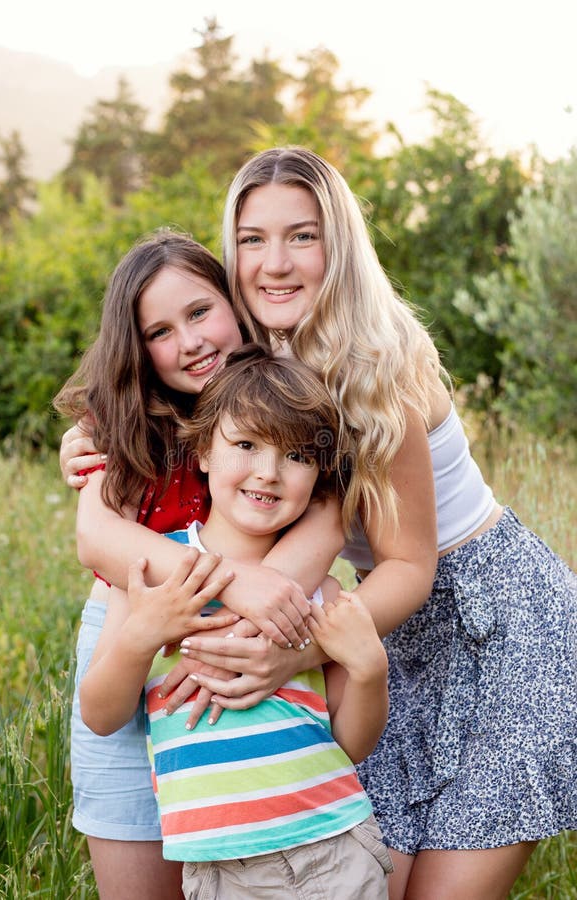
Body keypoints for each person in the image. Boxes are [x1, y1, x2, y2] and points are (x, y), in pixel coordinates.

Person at [61, 147, 577, 900]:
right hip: (380, 632)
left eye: (303, 236)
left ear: (339, 245)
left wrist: (294, 653)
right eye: (252, 239)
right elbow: (107, 521)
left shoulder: (380, 363)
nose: (276, 262)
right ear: (229, 253)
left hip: (494, 619)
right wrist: (90, 439)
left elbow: (409, 563)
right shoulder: (248, 363)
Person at [54, 230, 344, 900]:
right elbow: (95, 540)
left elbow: (328, 516)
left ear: (234, 303)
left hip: (255, 644)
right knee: (133, 846)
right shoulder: (120, 424)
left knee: (252, 858)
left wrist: (239, 638)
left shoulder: (286, 397)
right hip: (127, 641)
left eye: (199, 311)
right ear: (137, 348)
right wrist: (232, 580)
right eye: (159, 330)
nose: (189, 342)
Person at [78, 344, 393, 899]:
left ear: (319, 471)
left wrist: (370, 671)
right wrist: (143, 635)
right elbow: (101, 715)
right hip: (213, 867)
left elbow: (352, 743)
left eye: (296, 456)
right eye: (245, 445)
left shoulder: (317, 588)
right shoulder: (149, 572)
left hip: (330, 849)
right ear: (202, 451)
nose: (268, 473)